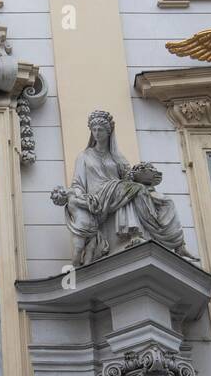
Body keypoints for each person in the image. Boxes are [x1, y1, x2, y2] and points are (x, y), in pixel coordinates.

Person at [51, 109, 192, 265]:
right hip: (97, 196)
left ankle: (173, 241)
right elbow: (77, 183)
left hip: (117, 191)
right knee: (133, 189)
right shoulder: (84, 156)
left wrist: (144, 176)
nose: (97, 133)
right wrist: (79, 196)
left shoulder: (117, 157)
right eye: (94, 130)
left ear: (108, 132)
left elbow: (129, 176)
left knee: (163, 200)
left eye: (101, 130)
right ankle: (139, 231)